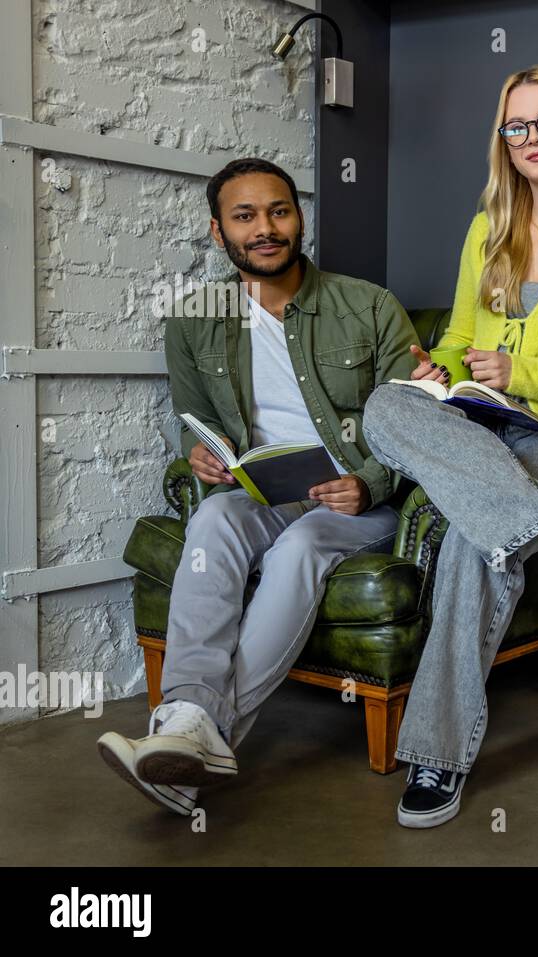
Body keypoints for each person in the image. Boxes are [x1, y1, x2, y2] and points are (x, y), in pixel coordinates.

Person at [361, 65, 538, 828]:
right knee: (386, 405)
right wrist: (441, 368)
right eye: (516, 126)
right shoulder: (487, 228)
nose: (532, 139)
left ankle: (437, 754)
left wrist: (526, 370)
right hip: (480, 426)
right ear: (504, 140)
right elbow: (460, 338)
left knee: (471, 541)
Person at [97, 158, 421, 817]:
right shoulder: (194, 320)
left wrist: (368, 481)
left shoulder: (369, 306)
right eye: (245, 216)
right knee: (212, 520)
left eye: (279, 211)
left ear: (299, 219)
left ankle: (189, 739)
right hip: (264, 490)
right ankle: (191, 729)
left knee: (301, 547)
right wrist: (201, 458)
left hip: (356, 503)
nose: (265, 228)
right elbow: (197, 425)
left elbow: (414, 423)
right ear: (219, 233)